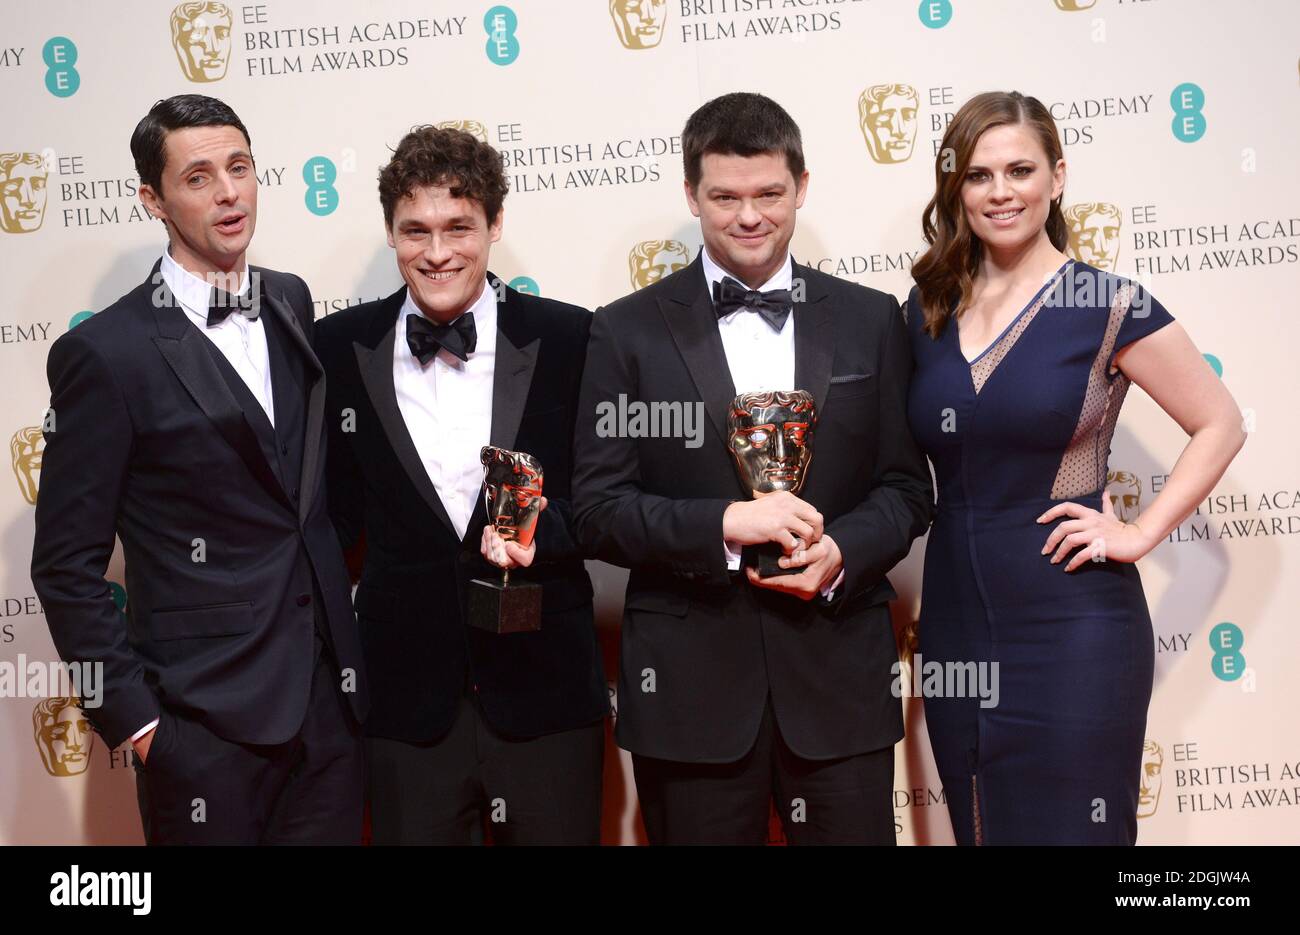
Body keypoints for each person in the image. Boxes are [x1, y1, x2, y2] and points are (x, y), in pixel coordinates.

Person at [573, 92, 933, 845]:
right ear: (690, 195)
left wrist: (842, 553)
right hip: (689, 695)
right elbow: (597, 508)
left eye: (769, 193)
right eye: (725, 197)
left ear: (802, 185)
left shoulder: (872, 319)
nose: (749, 216)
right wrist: (727, 526)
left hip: (839, 680)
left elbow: (905, 488)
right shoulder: (625, 330)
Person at [905, 90, 1246, 845]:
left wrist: (1140, 531)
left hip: (1073, 625)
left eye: (1021, 169)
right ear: (956, 187)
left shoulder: (1107, 303)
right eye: (979, 174)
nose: (1001, 192)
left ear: (1057, 176)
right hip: (955, 623)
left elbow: (1220, 421)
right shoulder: (927, 307)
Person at [31, 94, 368, 844]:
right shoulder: (107, 354)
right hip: (201, 732)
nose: (228, 193)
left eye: (240, 168)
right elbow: (64, 566)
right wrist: (141, 725)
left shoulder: (288, 298)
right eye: (199, 176)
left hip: (327, 712)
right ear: (152, 198)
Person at [313, 126, 607, 845]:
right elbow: (329, 520)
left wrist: (535, 533)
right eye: (415, 230)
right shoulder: (335, 348)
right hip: (402, 710)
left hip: (546, 698)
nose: (437, 253)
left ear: (495, 224)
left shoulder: (572, 339)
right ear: (391, 232)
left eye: (458, 228)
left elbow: (607, 506)